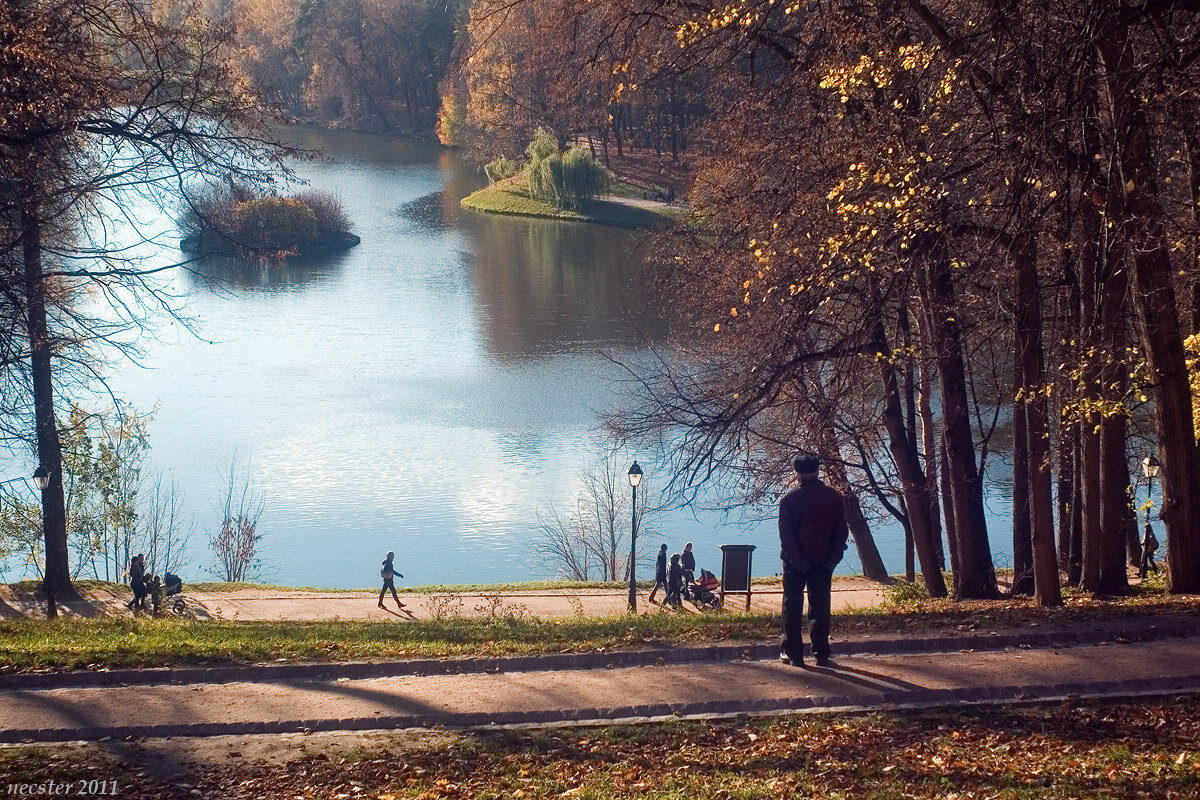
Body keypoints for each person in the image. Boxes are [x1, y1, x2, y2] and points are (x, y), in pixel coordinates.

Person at [778, 452, 848, 668]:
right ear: (818, 471)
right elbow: (841, 533)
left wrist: (800, 563)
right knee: (820, 606)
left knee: (792, 606)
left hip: (795, 564)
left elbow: (787, 538)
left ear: (797, 473)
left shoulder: (789, 500)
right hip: (823, 563)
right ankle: (821, 653)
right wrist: (830, 562)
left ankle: (793, 654)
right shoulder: (834, 497)